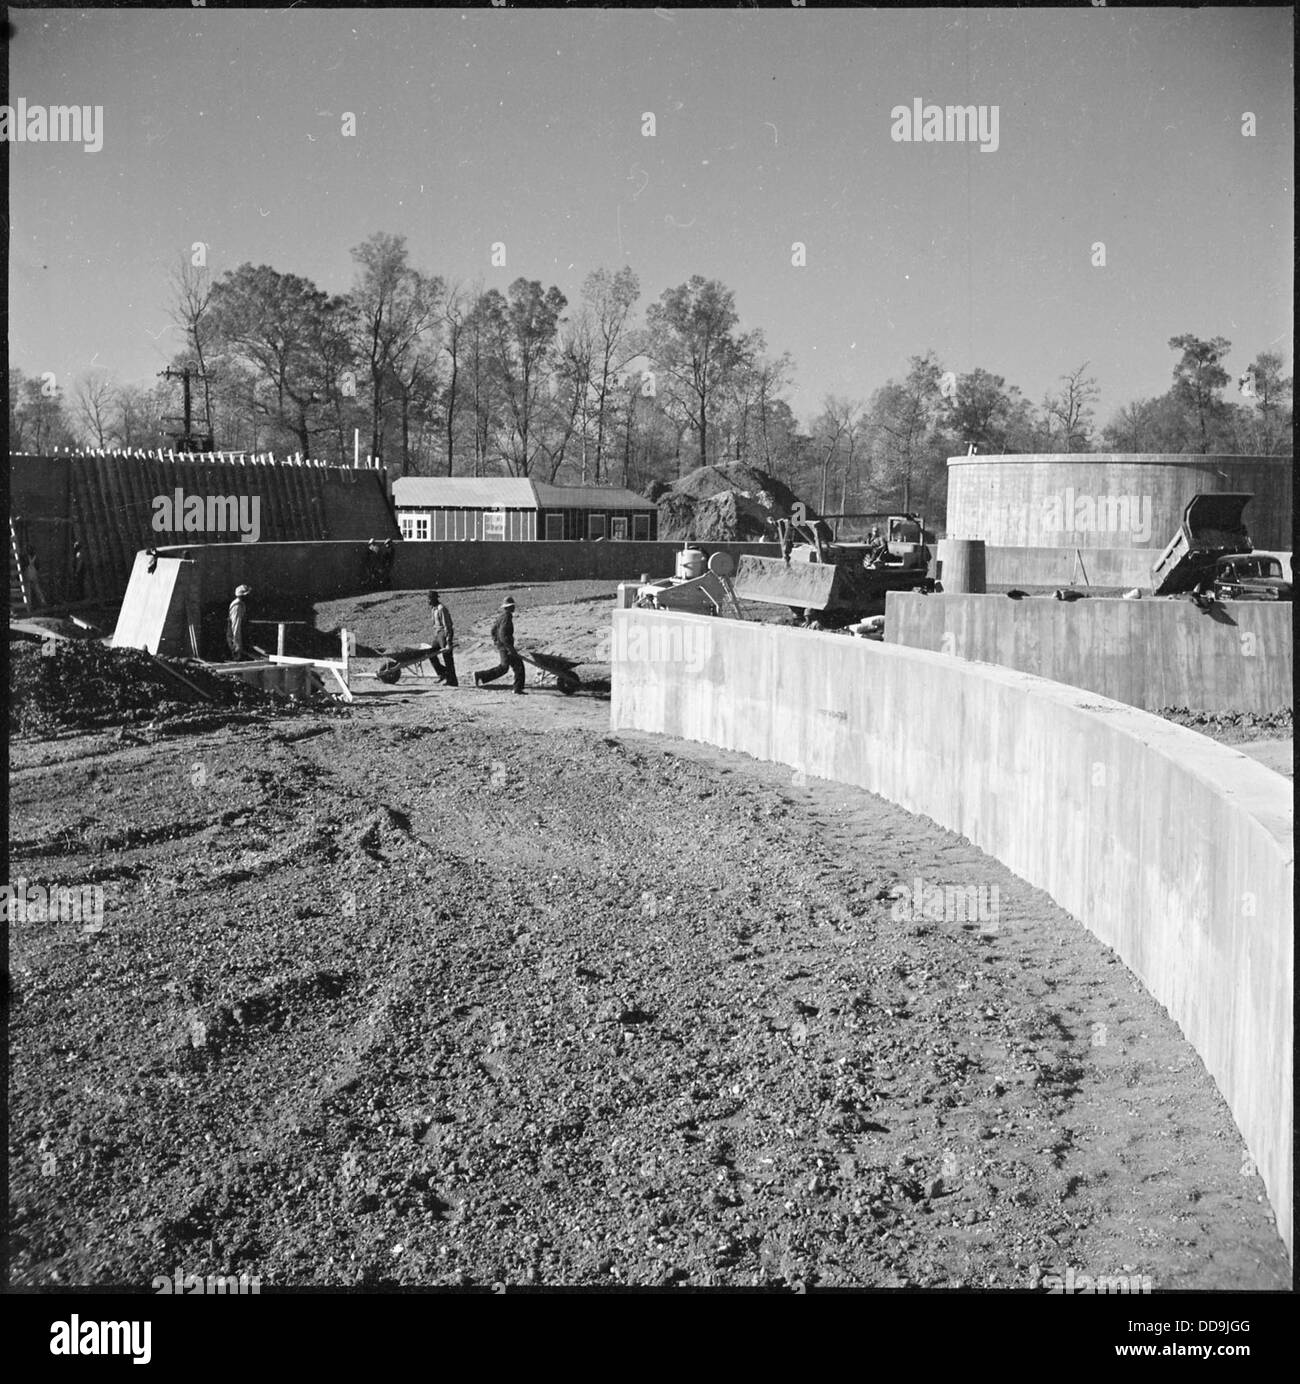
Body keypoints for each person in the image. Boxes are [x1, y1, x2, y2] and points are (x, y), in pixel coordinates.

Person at [474, 595, 525, 694]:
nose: (514, 607)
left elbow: (493, 630)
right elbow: (503, 635)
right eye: (512, 606)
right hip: (506, 647)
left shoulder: (501, 617)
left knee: (504, 667)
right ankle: (517, 689)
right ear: (508, 607)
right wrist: (509, 648)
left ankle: (480, 675)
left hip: (502, 646)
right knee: (518, 666)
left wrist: (497, 642)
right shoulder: (506, 617)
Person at [426, 590, 458, 686]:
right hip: (437, 635)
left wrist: (448, 641)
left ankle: (452, 681)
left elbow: (447, 626)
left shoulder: (441, 609)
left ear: (434, 599)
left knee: (447, 658)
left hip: (443, 634)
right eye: (428, 599)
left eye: (429, 599)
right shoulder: (433, 609)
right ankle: (443, 674)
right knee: (430, 653)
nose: (428, 601)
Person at [227, 584, 251, 660]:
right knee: (236, 657)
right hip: (234, 637)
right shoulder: (237, 606)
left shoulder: (242, 604)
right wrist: (237, 644)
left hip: (236, 636)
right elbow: (235, 626)